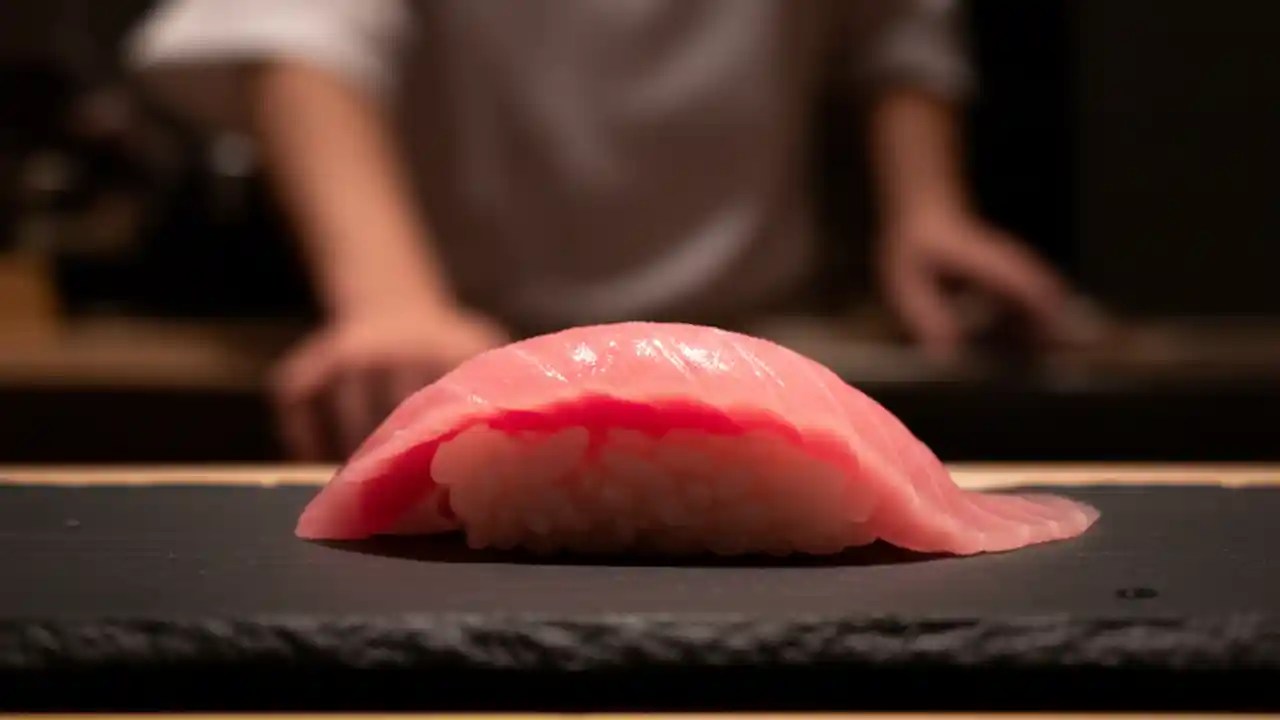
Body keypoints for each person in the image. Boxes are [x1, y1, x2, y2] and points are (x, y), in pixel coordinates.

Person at [126, 0, 1079, 461]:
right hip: (457, 352)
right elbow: (296, 30)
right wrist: (389, 301)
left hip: (762, 343)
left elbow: (896, 30)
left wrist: (928, 207)